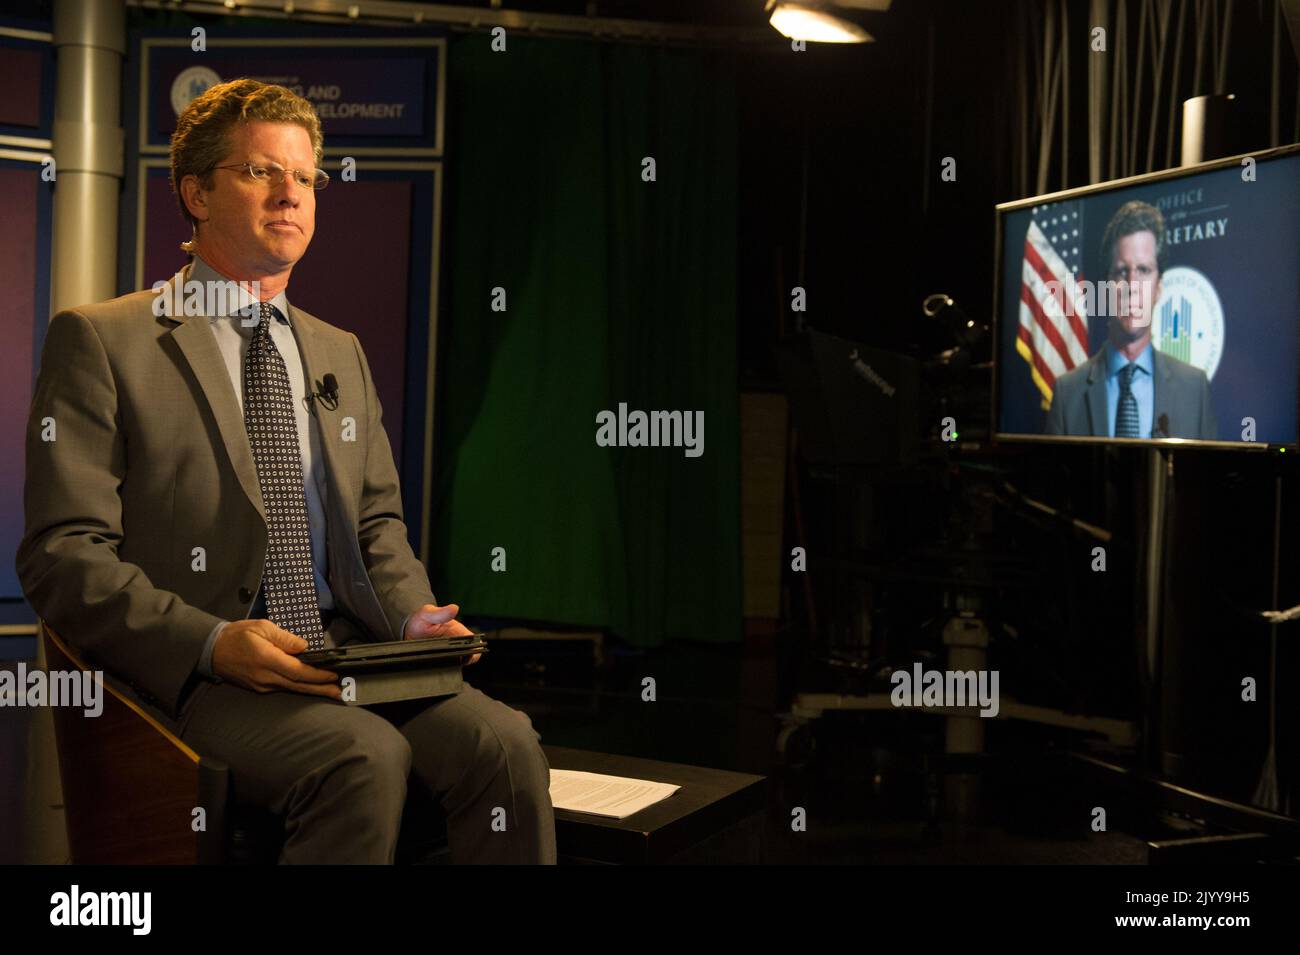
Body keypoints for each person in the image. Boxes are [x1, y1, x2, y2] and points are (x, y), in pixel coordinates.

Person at [16, 79, 556, 864]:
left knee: (505, 745)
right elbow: (61, 553)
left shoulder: (339, 350)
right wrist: (210, 643)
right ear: (196, 193)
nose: (290, 193)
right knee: (362, 756)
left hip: (339, 655)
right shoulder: (104, 341)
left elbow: (375, 526)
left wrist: (410, 618)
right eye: (261, 171)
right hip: (199, 677)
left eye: (305, 177)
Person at [1044, 200, 1217, 440]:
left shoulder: (1195, 389)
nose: (1132, 286)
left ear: (1159, 288)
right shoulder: (1067, 394)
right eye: (1122, 272)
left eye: (1144, 270)